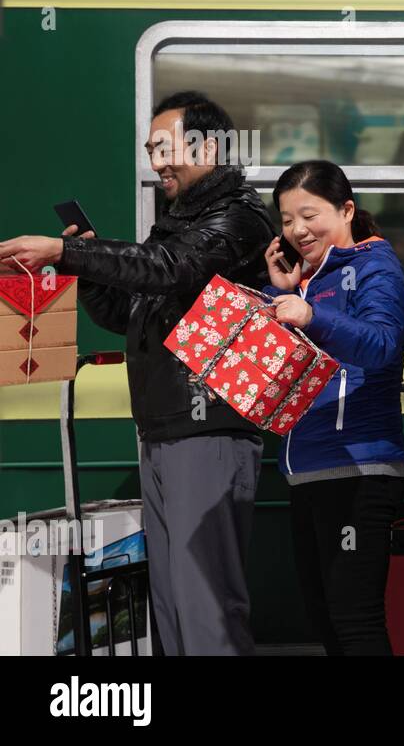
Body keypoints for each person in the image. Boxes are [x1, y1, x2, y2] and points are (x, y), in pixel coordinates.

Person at [0, 90, 275, 655]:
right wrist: (90, 265)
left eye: (164, 147)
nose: (156, 163)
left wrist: (67, 253)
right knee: (172, 602)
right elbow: (129, 313)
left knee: (207, 604)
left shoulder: (238, 216)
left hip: (209, 427)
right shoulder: (176, 222)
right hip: (164, 429)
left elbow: (172, 271)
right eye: (150, 150)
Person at [264, 160, 404, 655]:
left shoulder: (375, 266)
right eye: (286, 220)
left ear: (346, 210)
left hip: (360, 467)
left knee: (356, 621)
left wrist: (310, 313)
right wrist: (283, 296)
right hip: (308, 470)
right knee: (324, 621)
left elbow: (383, 343)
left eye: (309, 215)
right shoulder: (304, 280)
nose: (297, 230)